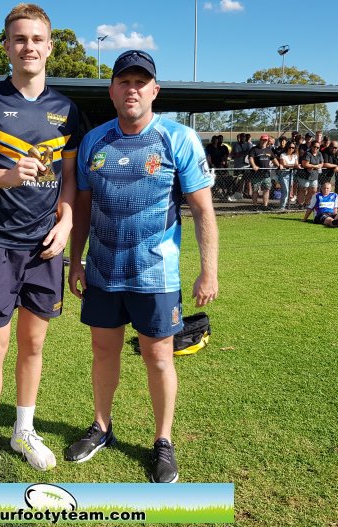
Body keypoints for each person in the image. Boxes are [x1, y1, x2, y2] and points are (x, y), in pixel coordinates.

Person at [66, 49, 218, 484]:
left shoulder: (178, 138)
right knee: (103, 351)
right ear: (112, 91)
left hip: (156, 274)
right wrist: (75, 261)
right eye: (124, 82)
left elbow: (203, 210)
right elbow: (83, 206)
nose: (132, 90)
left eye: (140, 82)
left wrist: (208, 271)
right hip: (102, 271)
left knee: (158, 356)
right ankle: (101, 427)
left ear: (154, 90)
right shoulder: (94, 141)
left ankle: (163, 441)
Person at [0, 3, 80, 483]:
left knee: (34, 343)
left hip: (46, 246)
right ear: (6, 46)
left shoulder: (68, 110)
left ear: (50, 47)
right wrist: (7, 175)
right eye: (20, 39)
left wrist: (67, 222)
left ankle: (23, 431)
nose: (29, 47)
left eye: (37, 39)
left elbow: (70, 179)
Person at [248, 134, 280, 209]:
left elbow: (274, 159)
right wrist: (254, 166)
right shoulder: (254, 149)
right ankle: (255, 206)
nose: (264, 141)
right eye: (263, 140)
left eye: (265, 140)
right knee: (255, 190)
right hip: (256, 174)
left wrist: (279, 165)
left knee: (266, 190)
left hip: (266, 174)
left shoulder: (269, 150)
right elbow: (251, 158)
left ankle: (265, 206)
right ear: (260, 140)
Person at [297, 140, 324, 208]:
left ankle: (306, 203)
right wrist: (315, 166)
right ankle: (300, 204)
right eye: (314, 147)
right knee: (303, 189)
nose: (316, 148)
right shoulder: (308, 154)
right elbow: (305, 164)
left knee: (313, 190)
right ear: (311, 146)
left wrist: (319, 166)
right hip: (305, 175)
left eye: (318, 147)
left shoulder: (319, 154)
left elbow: (322, 163)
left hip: (314, 175)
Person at [277, 142, 299, 211]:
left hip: (291, 174)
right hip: (283, 175)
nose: (291, 149)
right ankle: (282, 207)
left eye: (293, 148)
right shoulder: (283, 155)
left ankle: (285, 206)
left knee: (288, 192)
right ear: (287, 147)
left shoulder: (295, 155)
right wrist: (294, 166)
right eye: (290, 147)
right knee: (285, 191)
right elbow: (284, 164)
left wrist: (292, 166)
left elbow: (296, 164)